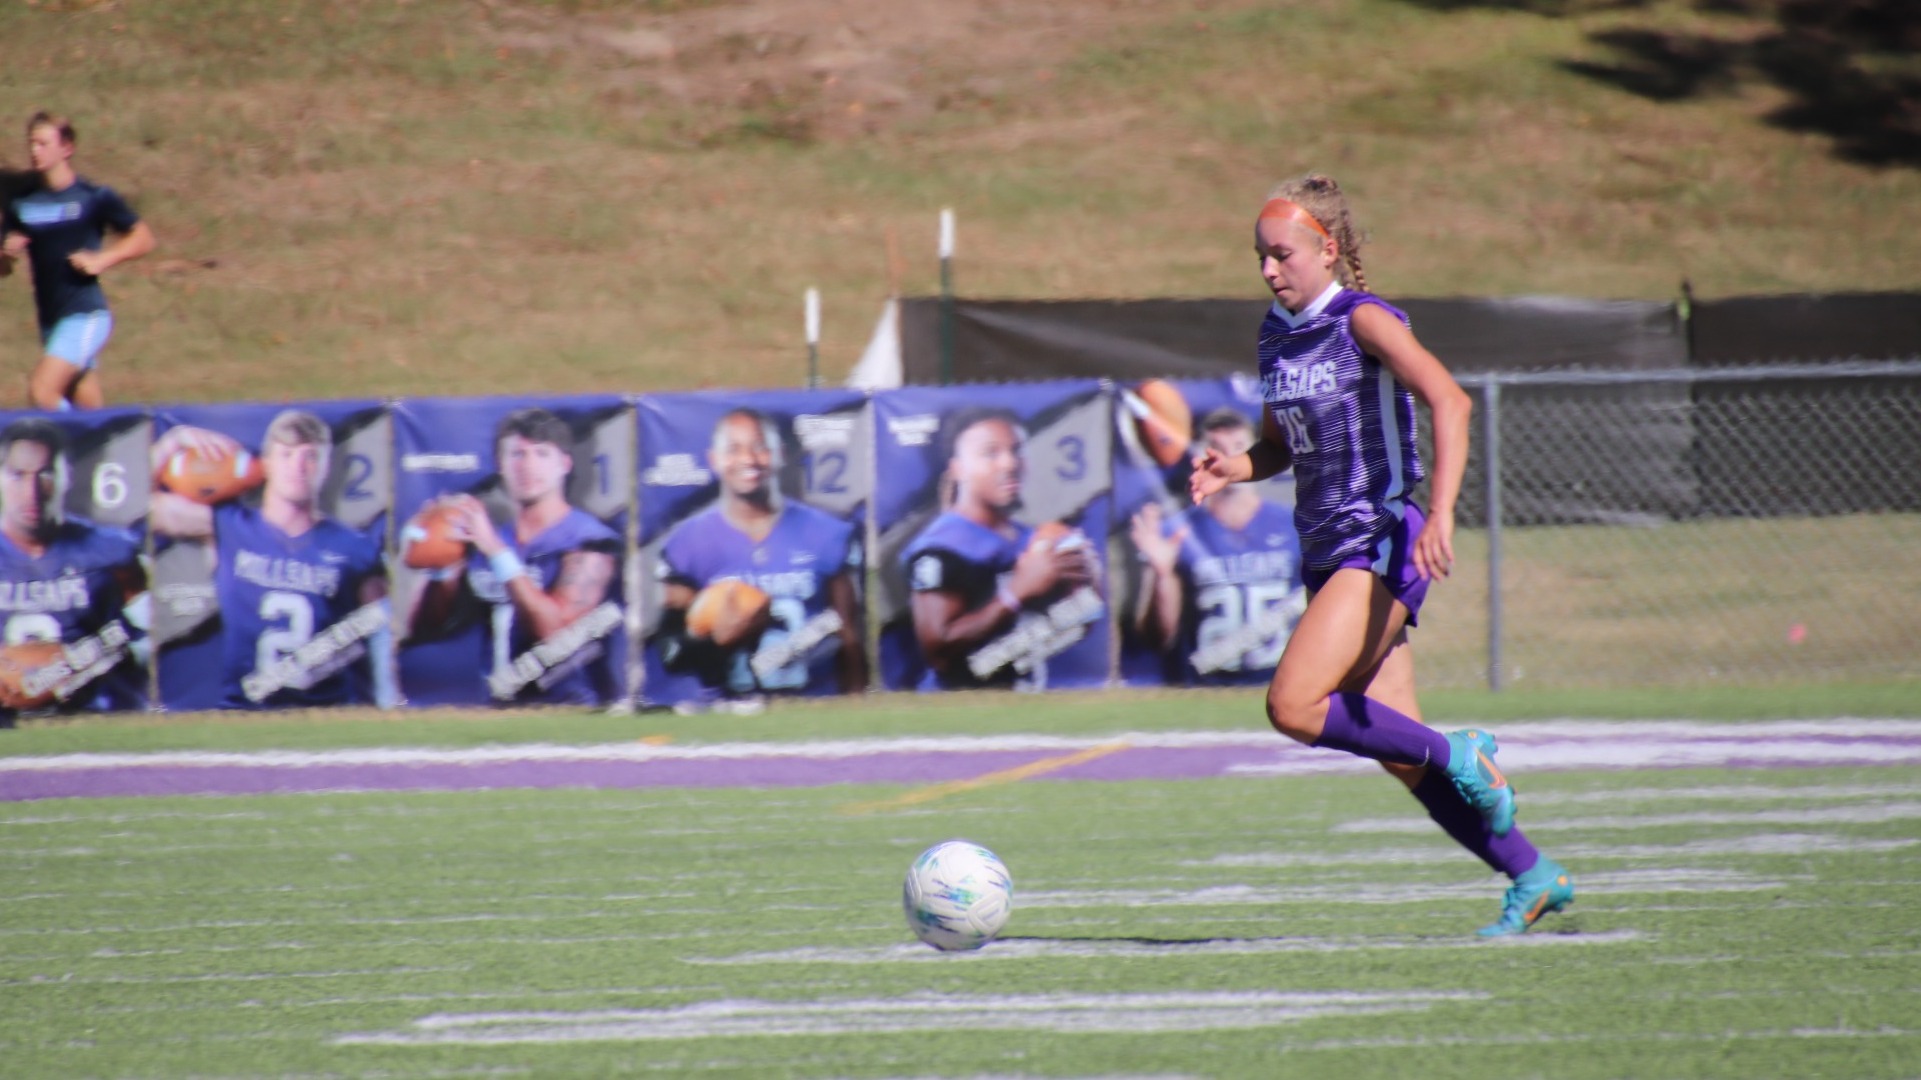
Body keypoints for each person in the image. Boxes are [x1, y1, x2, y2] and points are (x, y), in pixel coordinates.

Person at [1187, 175, 1574, 936]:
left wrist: (1438, 513)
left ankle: (1462, 749)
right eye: (1259, 257)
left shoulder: (1361, 319)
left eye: (1282, 254)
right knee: (1405, 760)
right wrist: (1233, 467)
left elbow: (1450, 400)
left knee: (1292, 706)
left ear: (1326, 250)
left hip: (1378, 541)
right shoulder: (1275, 331)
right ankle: (1531, 873)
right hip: (1326, 554)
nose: (1269, 270)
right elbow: (1276, 446)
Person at [150, 411, 393, 710]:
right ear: (266, 464)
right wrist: (172, 442)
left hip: (327, 713)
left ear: (326, 467)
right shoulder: (227, 526)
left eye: (310, 457)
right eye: (287, 455)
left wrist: (382, 707)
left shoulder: (354, 548)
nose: (298, 467)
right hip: (242, 711)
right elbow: (142, 511)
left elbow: (379, 644)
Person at [405, 407, 623, 705]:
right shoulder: (485, 539)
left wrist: (496, 551)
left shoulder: (590, 541)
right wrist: (439, 562)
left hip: (572, 709)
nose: (528, 465)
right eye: (517, 454)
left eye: (542, 454)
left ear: (565, 464)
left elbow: (556, 636)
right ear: (500, 464)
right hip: (499, 710)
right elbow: (427, 626)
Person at [654, 408, 865, 706]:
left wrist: (853, 706)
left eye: (760, 447)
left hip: (815, 706)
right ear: (714, 460)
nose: (749, 460)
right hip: (726, 711)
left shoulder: (827, 533)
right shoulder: (686, 544)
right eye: (734, 449)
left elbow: (849, 637)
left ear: (780, 454)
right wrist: (718, 642)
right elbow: (671, 655)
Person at [903, 406, 1096, 690]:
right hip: (959, 712)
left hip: (1026, 696)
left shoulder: (1031, 536)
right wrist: (1015, 593)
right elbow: (939, 651)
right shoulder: (941, 547)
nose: (1009, 463)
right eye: (990, 453)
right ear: (958, 469)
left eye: (1017, 450)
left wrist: (1087, 588)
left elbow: (1080, 622)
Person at [1131, 408, 1305, 686]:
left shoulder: (1293, 524)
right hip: (1203, 693)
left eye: (1240, 448)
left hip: (1284, 686)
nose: (1228, 459)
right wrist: (1162, 575)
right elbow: (1158, 638)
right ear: (1199, 456)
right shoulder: (1177, 532)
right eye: (1217, 449)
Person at [1, 113, 156, 411]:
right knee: (89, 411)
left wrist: (103, 259)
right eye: (31, 143)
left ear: (66, 148)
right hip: (51, 321)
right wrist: (6, 255)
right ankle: (108, 452)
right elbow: (3, 270)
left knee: (42, 392)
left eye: (44, 143)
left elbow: (144, 238)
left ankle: (67, 449)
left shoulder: (92, 197)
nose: (35, 151)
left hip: (85, 315)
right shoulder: (22, 203)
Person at [0, 418, 148, 722]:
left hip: (93, 713)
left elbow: (150, 638)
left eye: (45, 474)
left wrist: (86, 660)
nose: (32, 491)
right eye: (18, 475)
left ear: (66, 478)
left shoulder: (110, 550)